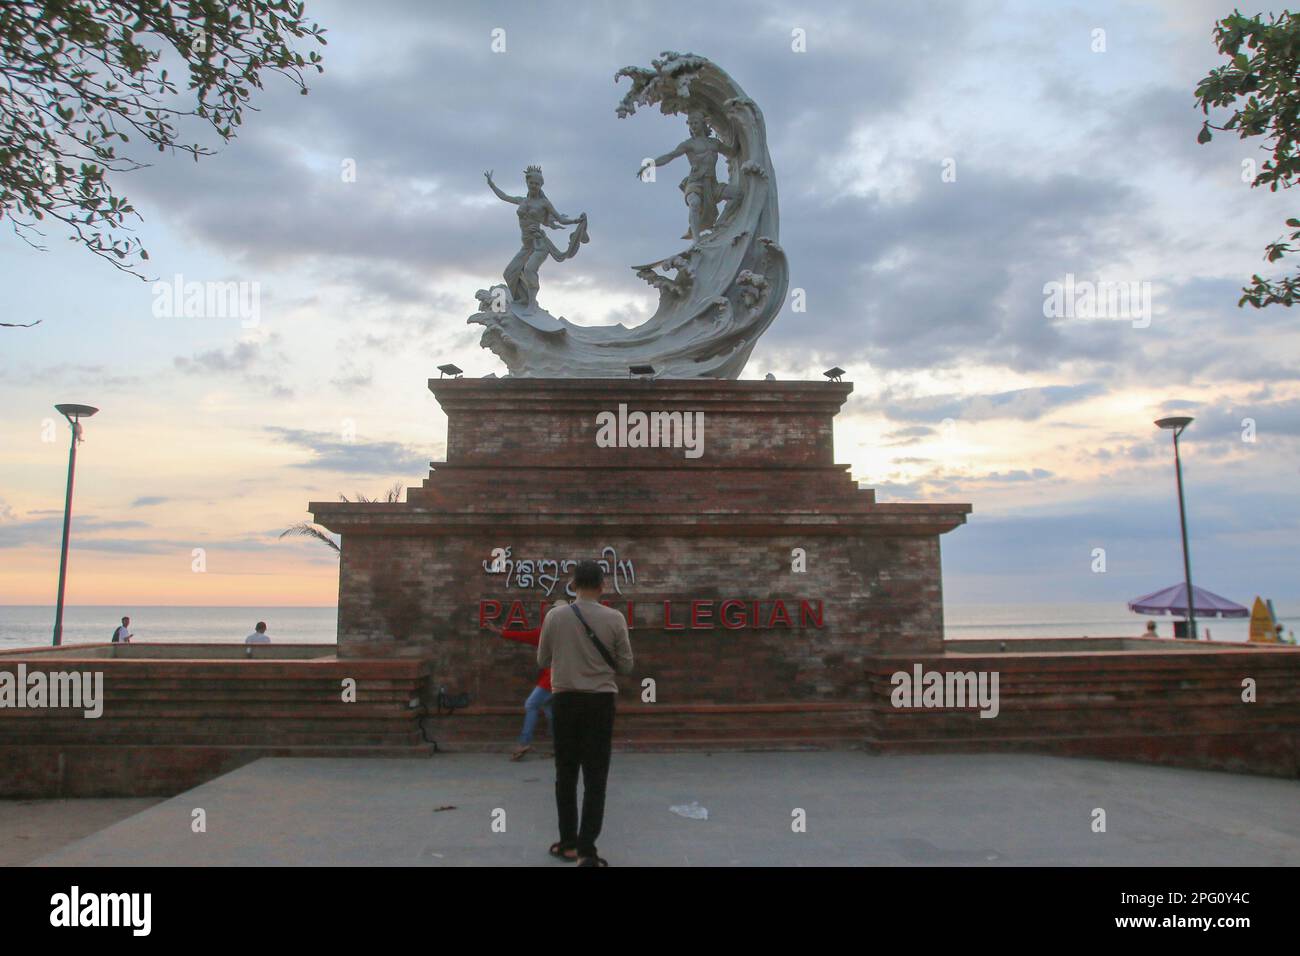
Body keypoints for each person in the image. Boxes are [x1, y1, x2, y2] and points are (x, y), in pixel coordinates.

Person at [537, 560, 634, 867]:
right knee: (595, 777)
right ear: (602, 586)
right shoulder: (615, 618)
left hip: (564, 701)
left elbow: (542, 660)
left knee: (565, 774)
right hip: (600, 703)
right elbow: (627, 666)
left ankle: (567, 843)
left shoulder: (555, 616)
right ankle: (587, 851)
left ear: (573, 584)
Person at [484, 621, 552, 761]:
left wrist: (498, 631)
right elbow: (523, 636)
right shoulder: (568, 633)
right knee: (551, 711)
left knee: (531, 704)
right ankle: (560, 747)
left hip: (550, 680)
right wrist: (500, 631)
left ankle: (524, 743)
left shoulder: (545, 632)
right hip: (561, 678)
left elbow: (523, 636)